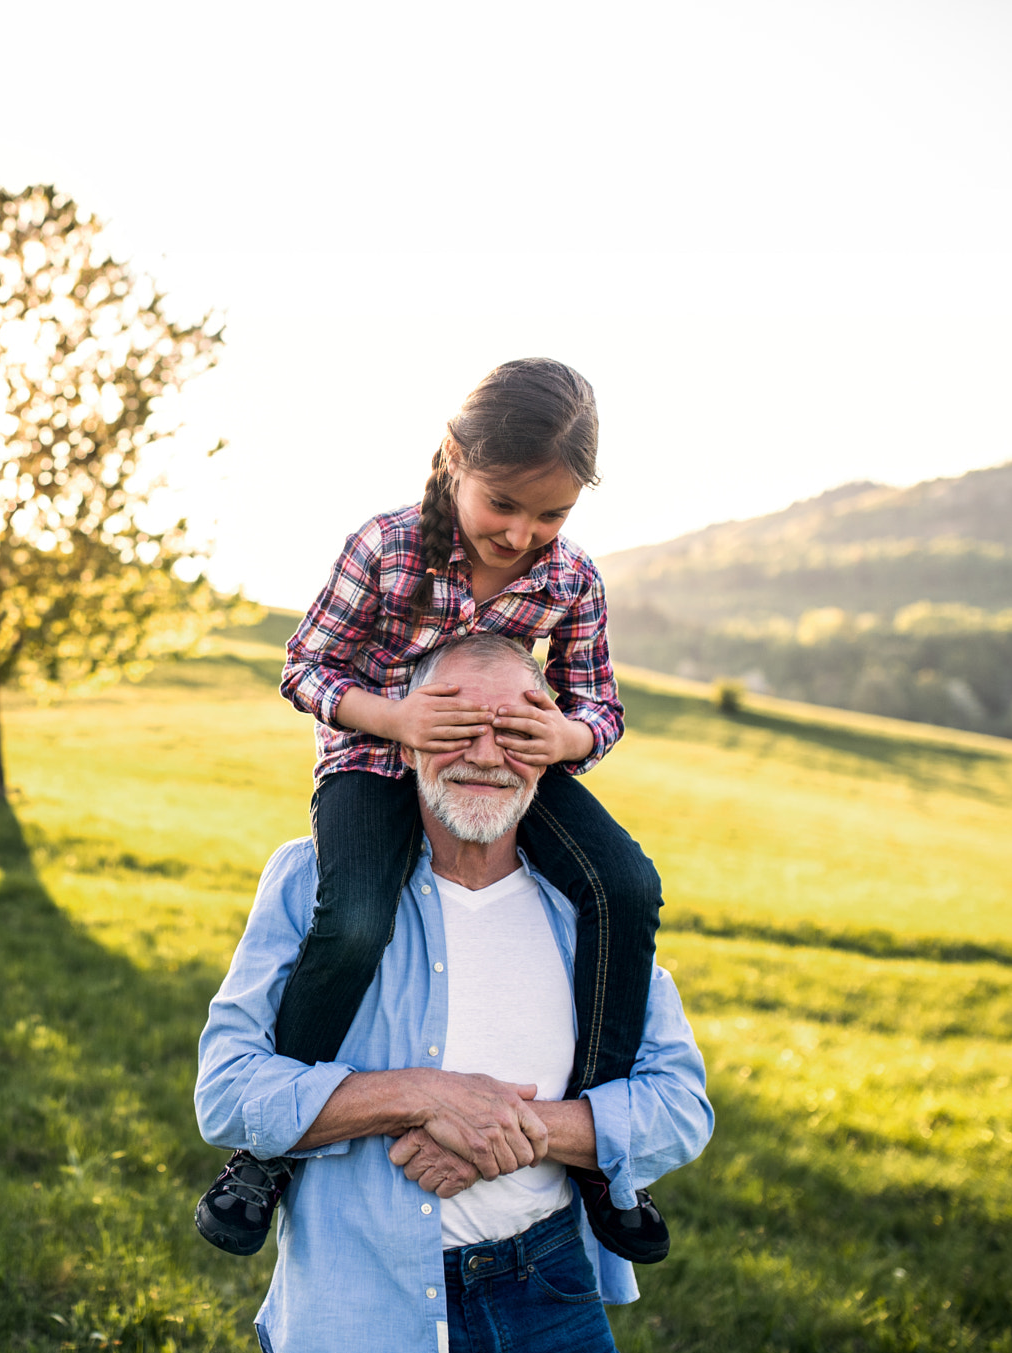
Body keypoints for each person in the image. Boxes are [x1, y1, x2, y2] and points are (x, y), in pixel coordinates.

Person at [195, 358, 671, 1263]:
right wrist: (399, 719)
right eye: (505, 504)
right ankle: (263, 1159)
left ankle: (602, 1159)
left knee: (625, 886)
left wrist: (563, 741)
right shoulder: (386, 546)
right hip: (376, 758)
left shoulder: (569, 579)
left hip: (506, 761)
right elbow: (305, 668)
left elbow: (599, 707)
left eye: (552, 514)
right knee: (356, 919)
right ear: (455, 458)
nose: (524, 532)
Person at [194, 634, 713, 1353]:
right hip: (360, 1302)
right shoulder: (317, 880)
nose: (486, 754)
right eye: (457, 725)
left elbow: (680, 1108)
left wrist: (503, 1125)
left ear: (550, 750)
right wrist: (420, 1094)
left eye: (513, 730)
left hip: (549, 1289)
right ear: (405, 740)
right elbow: (226, 1093)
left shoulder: (591, 909)